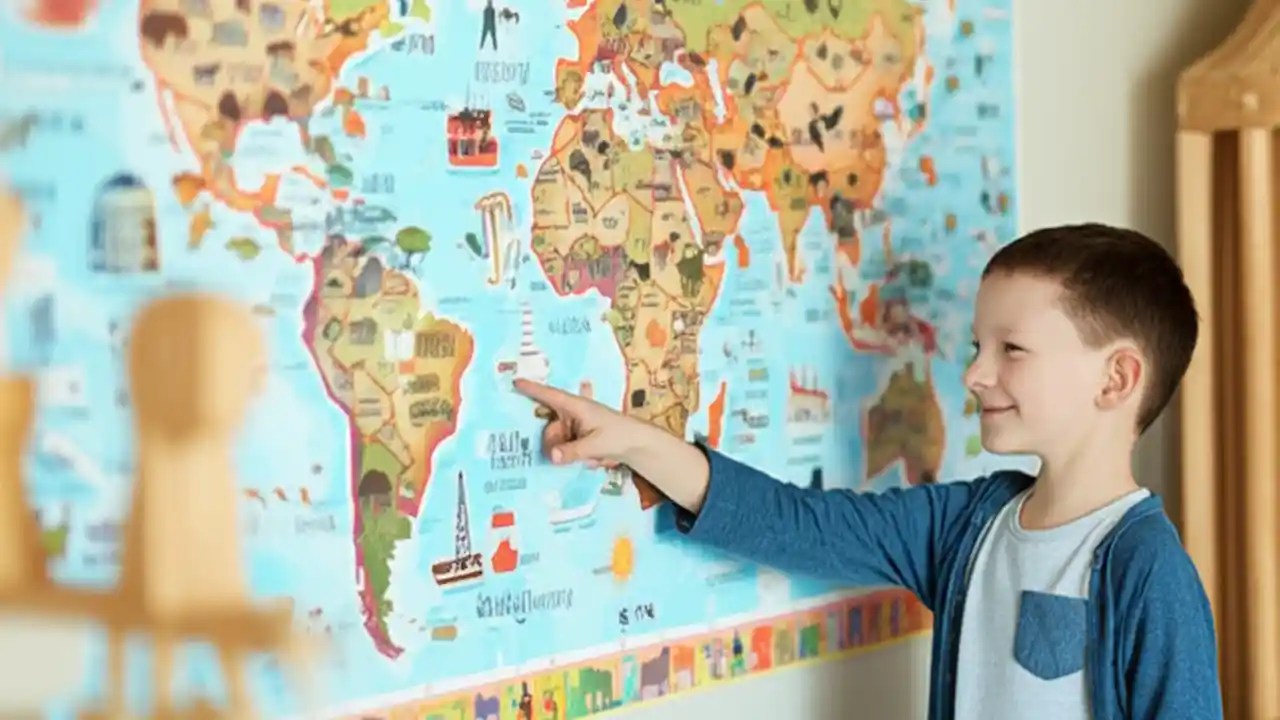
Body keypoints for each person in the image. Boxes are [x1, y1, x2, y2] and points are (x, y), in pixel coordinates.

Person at [513, 223, 1223, 720]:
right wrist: (635, 443)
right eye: (978, 347)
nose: (975, 374)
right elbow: (800, 524)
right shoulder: (967, 527)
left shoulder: (1147, 568)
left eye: (1012, 349)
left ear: (1116, 379)